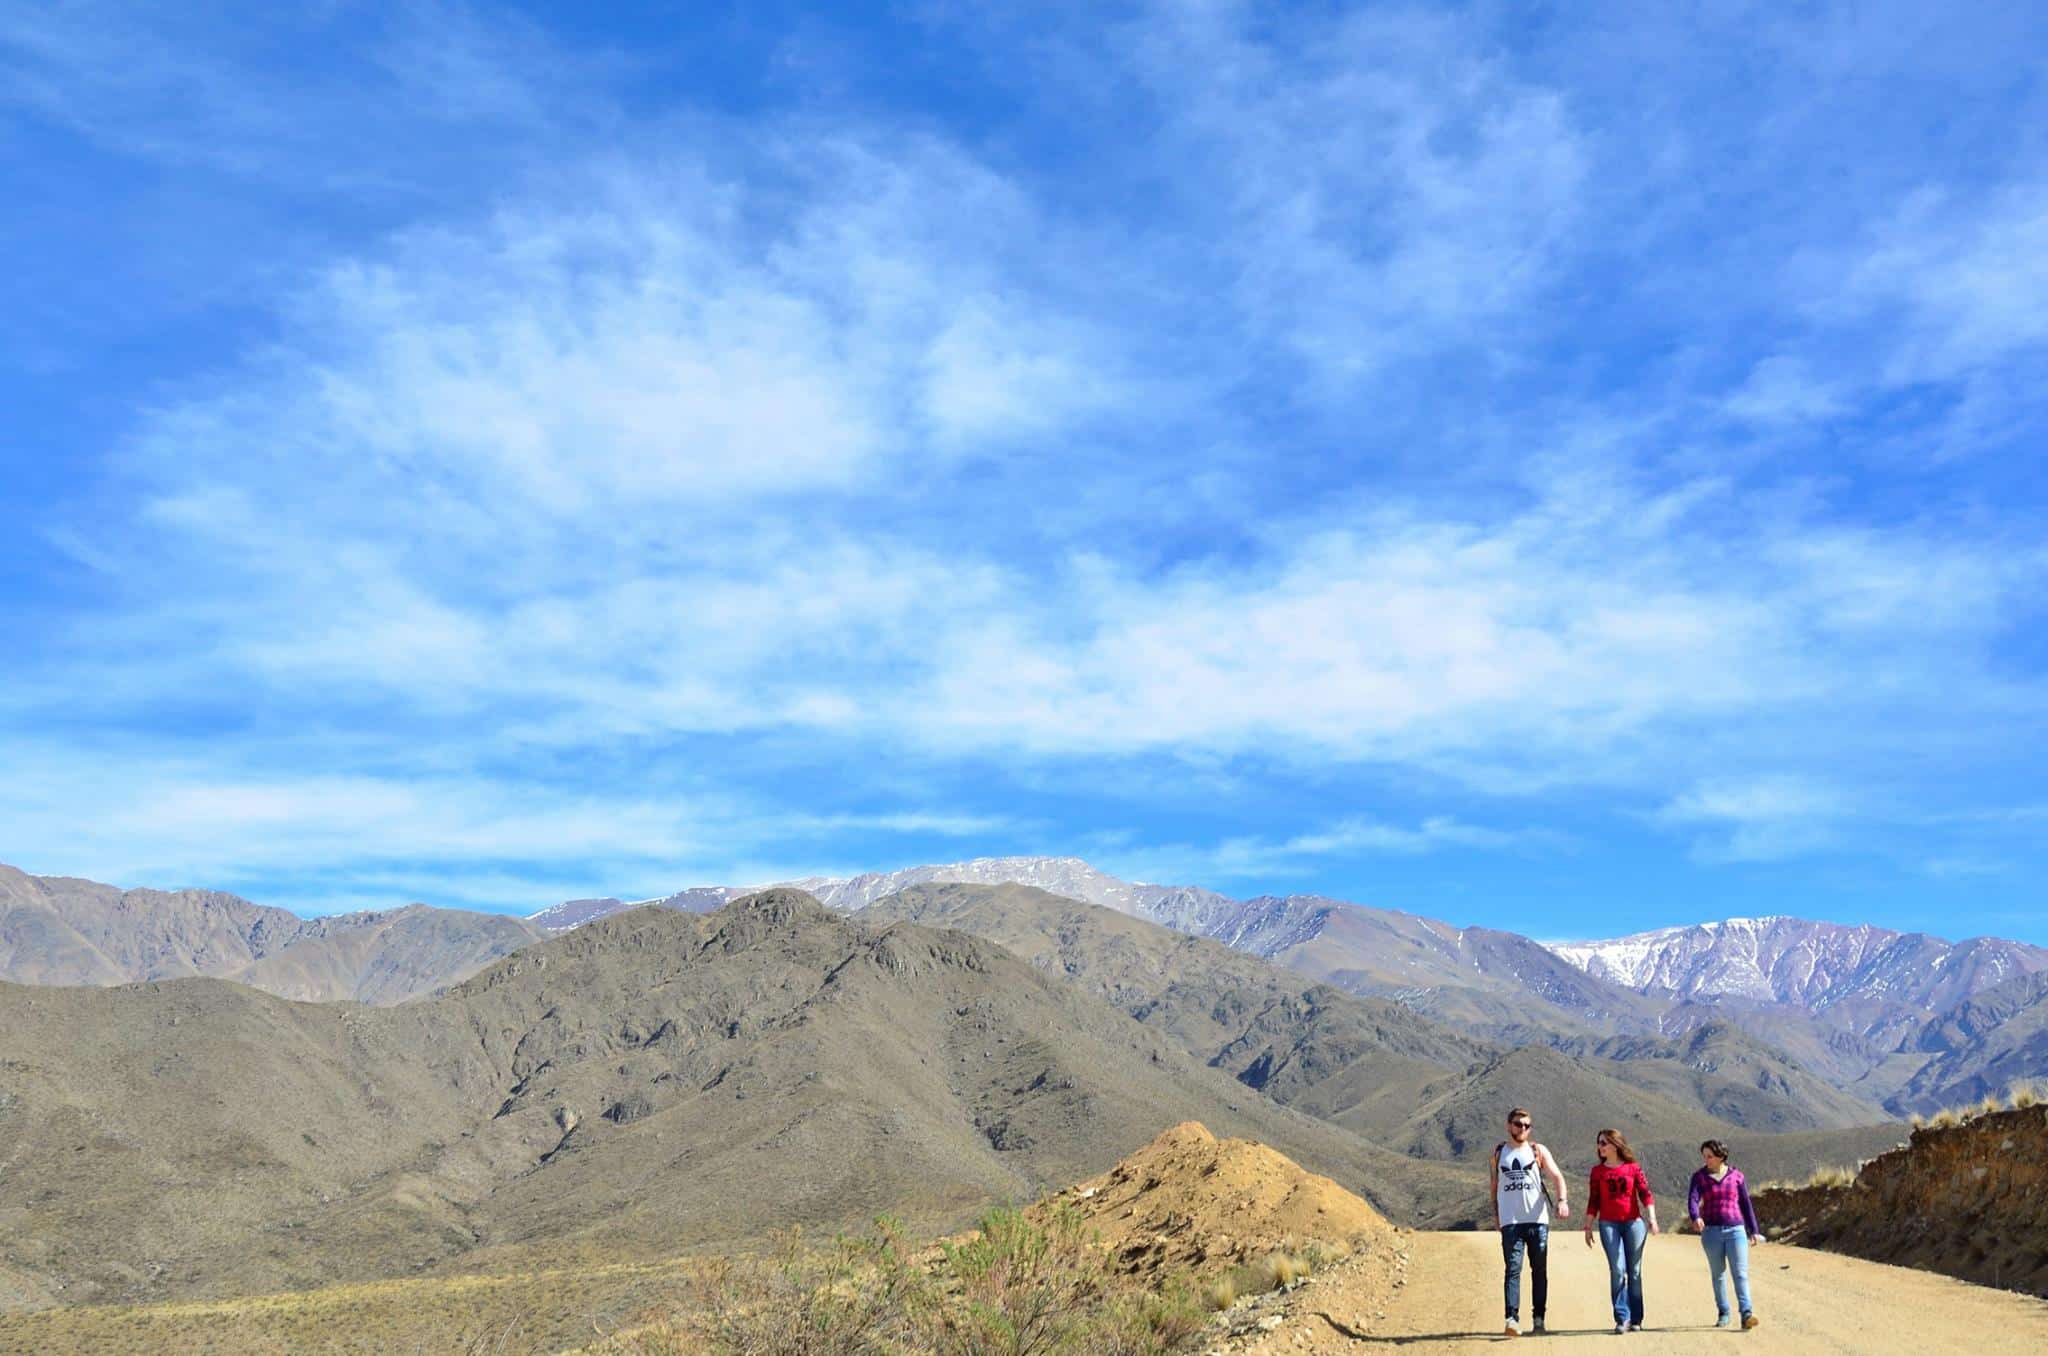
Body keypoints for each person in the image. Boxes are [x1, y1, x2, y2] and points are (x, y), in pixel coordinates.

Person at [1491, 1106, 1569, 1338]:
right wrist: (1496, 1215)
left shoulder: (1538, 1150)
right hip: (1511, 1221)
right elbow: (1494, 1186)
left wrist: (1562, 1200)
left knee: (1539, 1271)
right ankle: (1512, 1319)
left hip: (1537, 1220)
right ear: (1509, 1126)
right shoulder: (1499, 1153)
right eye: (1518, 1124)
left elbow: (1557, 1176)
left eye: (1527, 1125)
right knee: (1513, 1270)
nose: (1523, 1128)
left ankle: (1539, 1319)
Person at [1583, 1128, 1659, 1334]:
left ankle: (1636, 1318)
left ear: (1615, 1145)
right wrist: (1588, 1226)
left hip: (1634, 1224)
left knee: (1634, 1272)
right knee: (1617, 1270)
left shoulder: (1633, 1168)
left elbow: (1645, 1194)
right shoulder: (1597, 1172)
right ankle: (1622, 1317)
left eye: (1603, 1143)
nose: (1600, 1147)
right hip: (1609, 1225)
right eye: (1598, 1143)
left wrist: (1651, 1218)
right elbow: (1594, 1200)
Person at [1686, 1139, 1763, 1331]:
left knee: (1740, 1273)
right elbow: (1693, 1199)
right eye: (1704, 1156)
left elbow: (1745, 1204)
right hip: (1711, 1232)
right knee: (1718, 1274)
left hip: (1736, 1230)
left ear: (1721, 1157)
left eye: (1710, 1156)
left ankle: (1746, 1313)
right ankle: (1724, 1312)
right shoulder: (1699, 1177)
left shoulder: (1737, 1176)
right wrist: (1695, 1216)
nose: (1706, 1160)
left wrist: (1754, 1230)